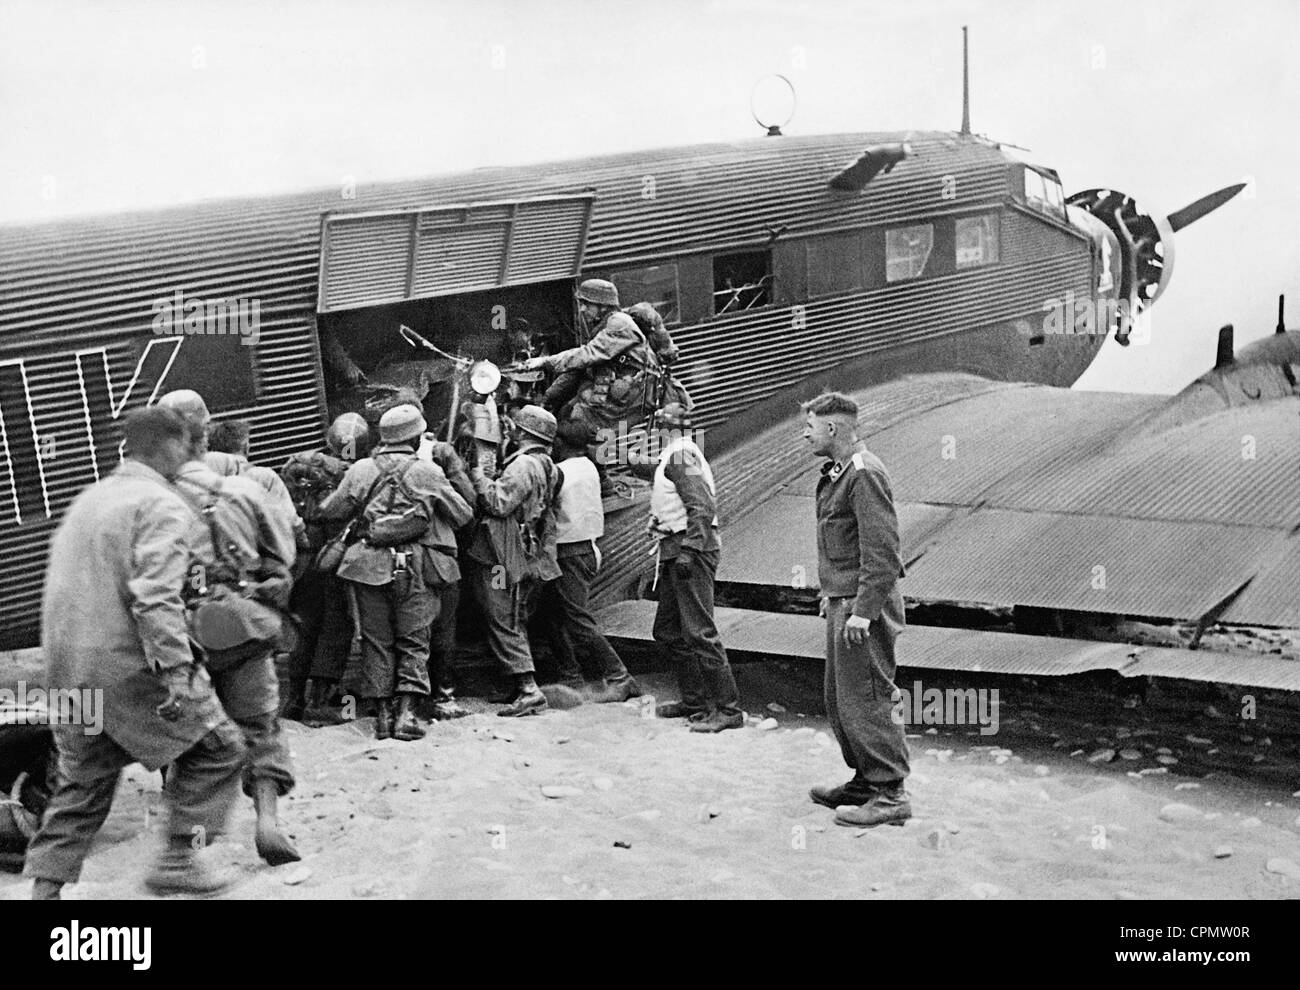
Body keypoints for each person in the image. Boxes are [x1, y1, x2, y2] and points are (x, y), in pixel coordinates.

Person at [23, 406, 246, 899]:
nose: (192, 452)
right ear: (171, 446)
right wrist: (178, 672)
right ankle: (178, 858)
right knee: (221, 747)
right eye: (189, 442)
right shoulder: (160, 504)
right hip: (124, 665)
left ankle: (44, 893)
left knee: (82, 785)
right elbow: (155, 598)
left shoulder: (91, 498)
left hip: (67, 669)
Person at [160, 389, 302, 865]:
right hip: (239, 623)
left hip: (180, 631)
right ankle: (267, 821)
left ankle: (190, 845)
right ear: (207, 429)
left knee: (189, 737)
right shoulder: (244, 486)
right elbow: (283, 557)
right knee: (259, 722)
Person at [316, 404, 473, 740]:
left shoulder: (361, 469)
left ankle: (383, 718)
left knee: (376, 641)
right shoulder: (426, 472)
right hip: (413, 566)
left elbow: (331, 510)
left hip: (366, 566)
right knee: (414, 641)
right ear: (416, 438)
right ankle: (407, 715)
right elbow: (462, 514)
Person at [801, 391, 911, 828]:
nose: (804, 434)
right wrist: (831, 597)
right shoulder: (838, 473)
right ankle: (866, 780)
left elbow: (882, 552)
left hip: (862, 606)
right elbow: (841, 547)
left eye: (810, 425)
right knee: (842, 699)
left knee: (868, 697)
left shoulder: (864, 474)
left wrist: (863, 611)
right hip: (843, 601)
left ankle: (891, 793)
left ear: (833, 428)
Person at [628, 403, 741, 732]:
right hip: (675, 550)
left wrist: (690, 551)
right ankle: (694, 701)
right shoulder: (675, 455)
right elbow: (653, 473)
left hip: (690, 551)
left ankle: (728, 710)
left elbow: (702, 506)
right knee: (668, 631)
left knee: (699, 633)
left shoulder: (680, 457)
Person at [465, 405, 562, 717]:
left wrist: (479, 474)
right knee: (513, 615)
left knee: (500, 615)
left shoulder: (523, 466)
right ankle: (513, 680)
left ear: (522, 433)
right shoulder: (550, 466)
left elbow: (497, 504)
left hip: (500, 555)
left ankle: (528, 688)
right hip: (525, 553)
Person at [534, 421, 641, 700]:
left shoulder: (561, 473)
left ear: (562, 444)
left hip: (571, 551)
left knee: (576, 619)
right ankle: (571, 675)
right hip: (585, 548)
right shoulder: (589, 467)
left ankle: (620, 677)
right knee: (554, 614)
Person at [280, 412, 372, 724]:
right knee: (335, 627)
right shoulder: (354, 472)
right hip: (334, 558)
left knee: (305, 627)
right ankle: (319, 703)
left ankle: (293, 701)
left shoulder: (297, 464)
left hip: (302, 557)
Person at [518, 279, 663, 443]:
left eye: (587, 304)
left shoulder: (619, 323)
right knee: (566, 413)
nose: (582, 309)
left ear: (603, 306)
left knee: (576, 429)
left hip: (637, 396)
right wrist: (548, 398)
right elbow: (578, 368)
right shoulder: (603, 328)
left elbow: (587, 354)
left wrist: (545, 361)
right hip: (625, 395)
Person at [417, 431, 477, 720]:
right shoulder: (436, 461)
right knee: (443, 628)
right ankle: (444, 696)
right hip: (438, 559)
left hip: (394, 561)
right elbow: (468, 507)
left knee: (406, 632)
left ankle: (405, 701)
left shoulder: (375, 462)